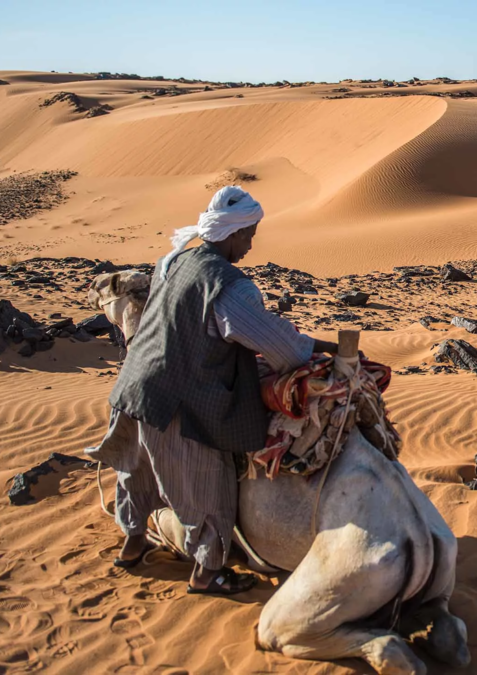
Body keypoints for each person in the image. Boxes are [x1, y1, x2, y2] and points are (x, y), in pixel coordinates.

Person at [104, 186, 335, 594]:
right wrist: (319, 348)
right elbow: (276, 345)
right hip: (177, 402)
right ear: (232, 233)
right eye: (249, 234)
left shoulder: (172, 262)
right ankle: (208, 572)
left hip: (132, 389)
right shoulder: (231, 287)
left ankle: (133, 543)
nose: (250, 244)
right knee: (208, 483)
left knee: (136, 473)